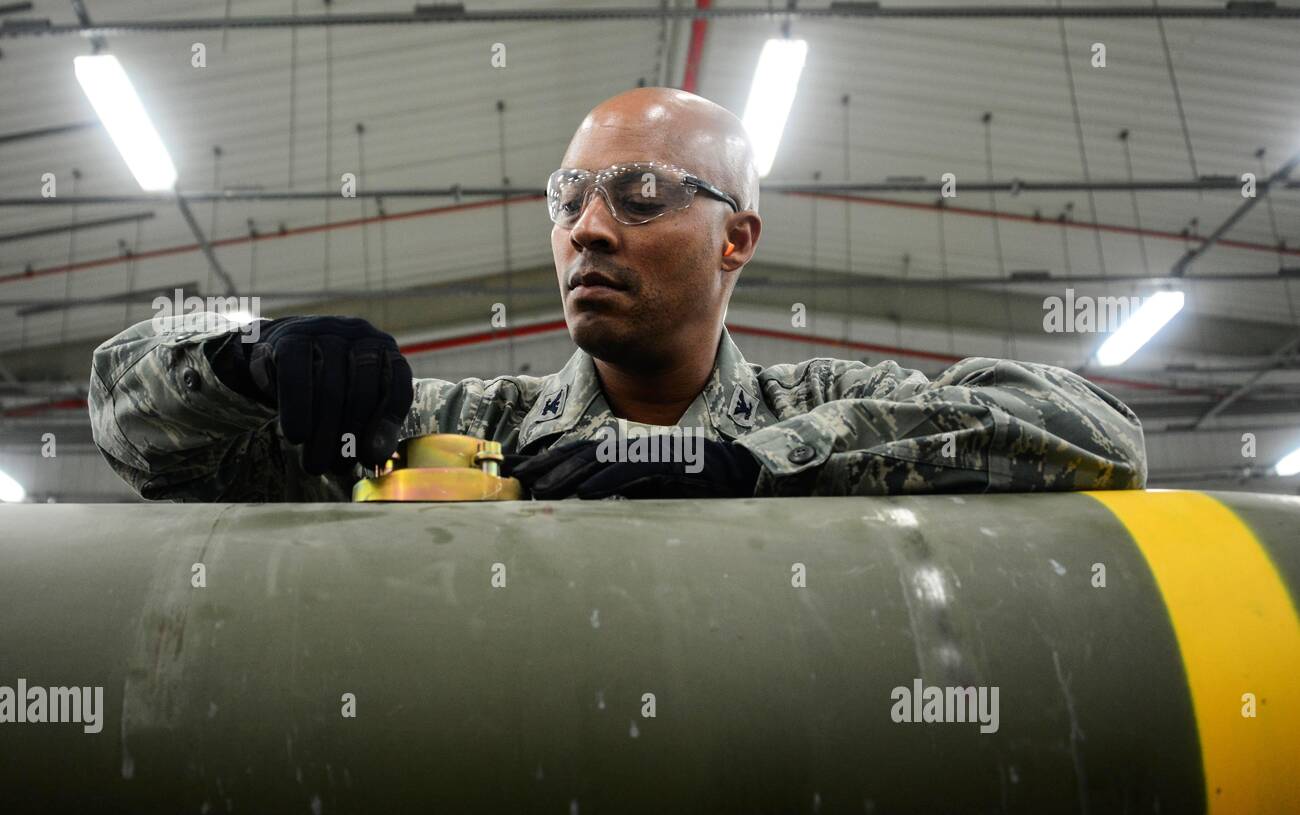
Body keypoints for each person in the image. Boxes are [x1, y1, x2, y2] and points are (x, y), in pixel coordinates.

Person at [89, 87, 1146, 502]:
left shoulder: (813, 409)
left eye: (640, 194)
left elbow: (1098, 431)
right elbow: (136, 434)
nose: (588, 228)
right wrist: (244, 359)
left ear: (736, 238)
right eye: (570, 197)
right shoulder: (448, 437)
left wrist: (744, 462)